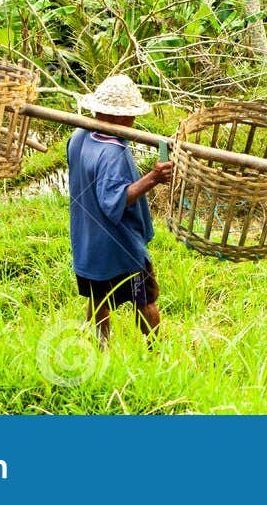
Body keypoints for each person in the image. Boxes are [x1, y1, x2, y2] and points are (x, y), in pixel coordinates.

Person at [67, 74, 173, 343]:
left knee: (98, 296)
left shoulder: (78, 135)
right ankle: (156, 352)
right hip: (121, 252)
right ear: (122, 118)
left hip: (87, 245)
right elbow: (113, 201)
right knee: (143, 300)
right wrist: (154, 178)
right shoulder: (114, 152)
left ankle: (101, 348)